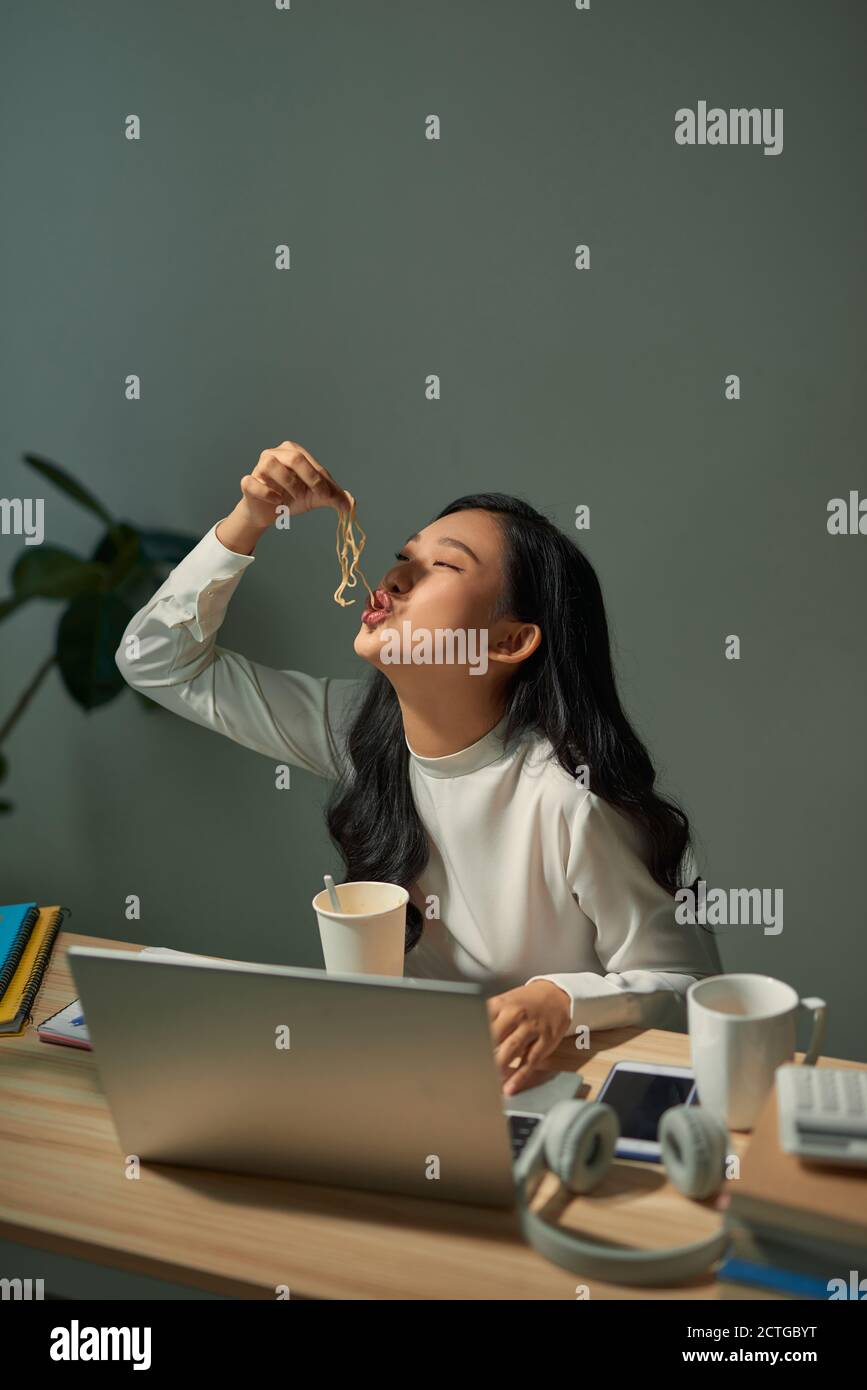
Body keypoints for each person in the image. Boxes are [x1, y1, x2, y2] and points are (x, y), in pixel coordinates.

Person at [115, 440, 721, 1095]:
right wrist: (251, 516)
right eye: (403, 558)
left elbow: (687, 990)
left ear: (510, 640)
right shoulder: (360, 732)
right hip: (413, 1081)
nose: (395, 579)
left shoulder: (572, 799)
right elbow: (155, 660)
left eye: (442, 568)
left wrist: (559, 1001)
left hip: (548, 1095)